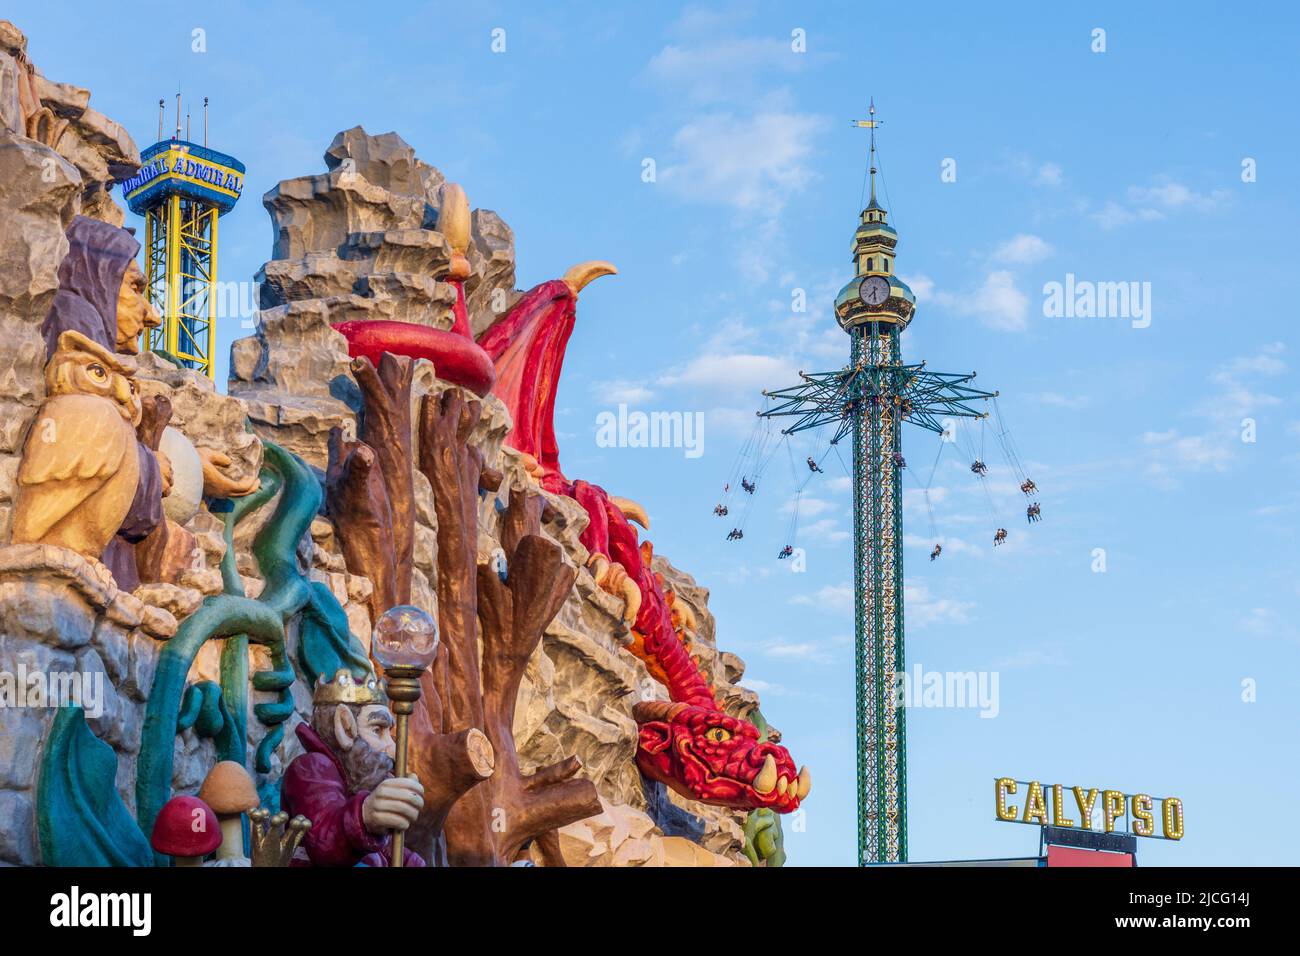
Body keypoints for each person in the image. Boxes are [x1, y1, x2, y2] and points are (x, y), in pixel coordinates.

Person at [282, 670, 426, 867]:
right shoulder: (311, 768)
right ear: (345, 727)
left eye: (389, 732)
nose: (393, 748)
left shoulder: (357, 779)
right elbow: (324, 843)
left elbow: (386, 851)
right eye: (377, 730)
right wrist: (364, 816)